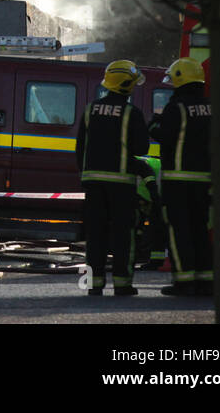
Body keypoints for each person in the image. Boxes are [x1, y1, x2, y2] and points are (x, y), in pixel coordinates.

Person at [74, 59, 149, 296]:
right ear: (126, 85)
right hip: (122, 185)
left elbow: (80, 148)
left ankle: (94, 285)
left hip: (93, 184)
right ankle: (122, 284)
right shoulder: (131, 113)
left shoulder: (90, 109)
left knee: (95, 235)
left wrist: (85, 176)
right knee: (123, 235)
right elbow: (141, 149)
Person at [157, 57, 213, 296]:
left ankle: (183, 281)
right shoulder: (210, 107)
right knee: (200, 230)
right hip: (204, 181)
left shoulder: (176, 108)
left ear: (181, 80)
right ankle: (206, 280)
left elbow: (164, 137)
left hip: (177, 181)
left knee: (179, 231)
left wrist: (153, 126)